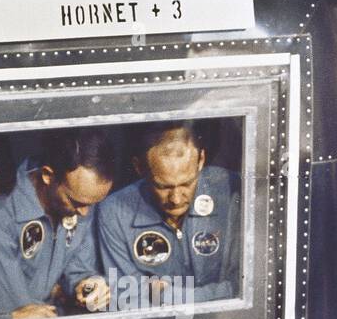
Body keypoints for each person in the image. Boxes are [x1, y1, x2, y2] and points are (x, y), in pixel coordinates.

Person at [0, 128, 113, 319]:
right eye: (76, 203)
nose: (85, 213)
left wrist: (88, 284)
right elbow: (16, 312)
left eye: (91, 204)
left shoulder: (81, 198)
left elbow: (78, 267)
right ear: (47, 175)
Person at [93, 121, 240, 308]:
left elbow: (243, 285)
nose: (176, 199)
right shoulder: (113, 212)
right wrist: (217, 292)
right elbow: (126, 297)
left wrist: (164, 295)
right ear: (140, 167)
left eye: (187, 183)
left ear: (201, 160)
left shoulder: (232, 191)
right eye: (163, 186)